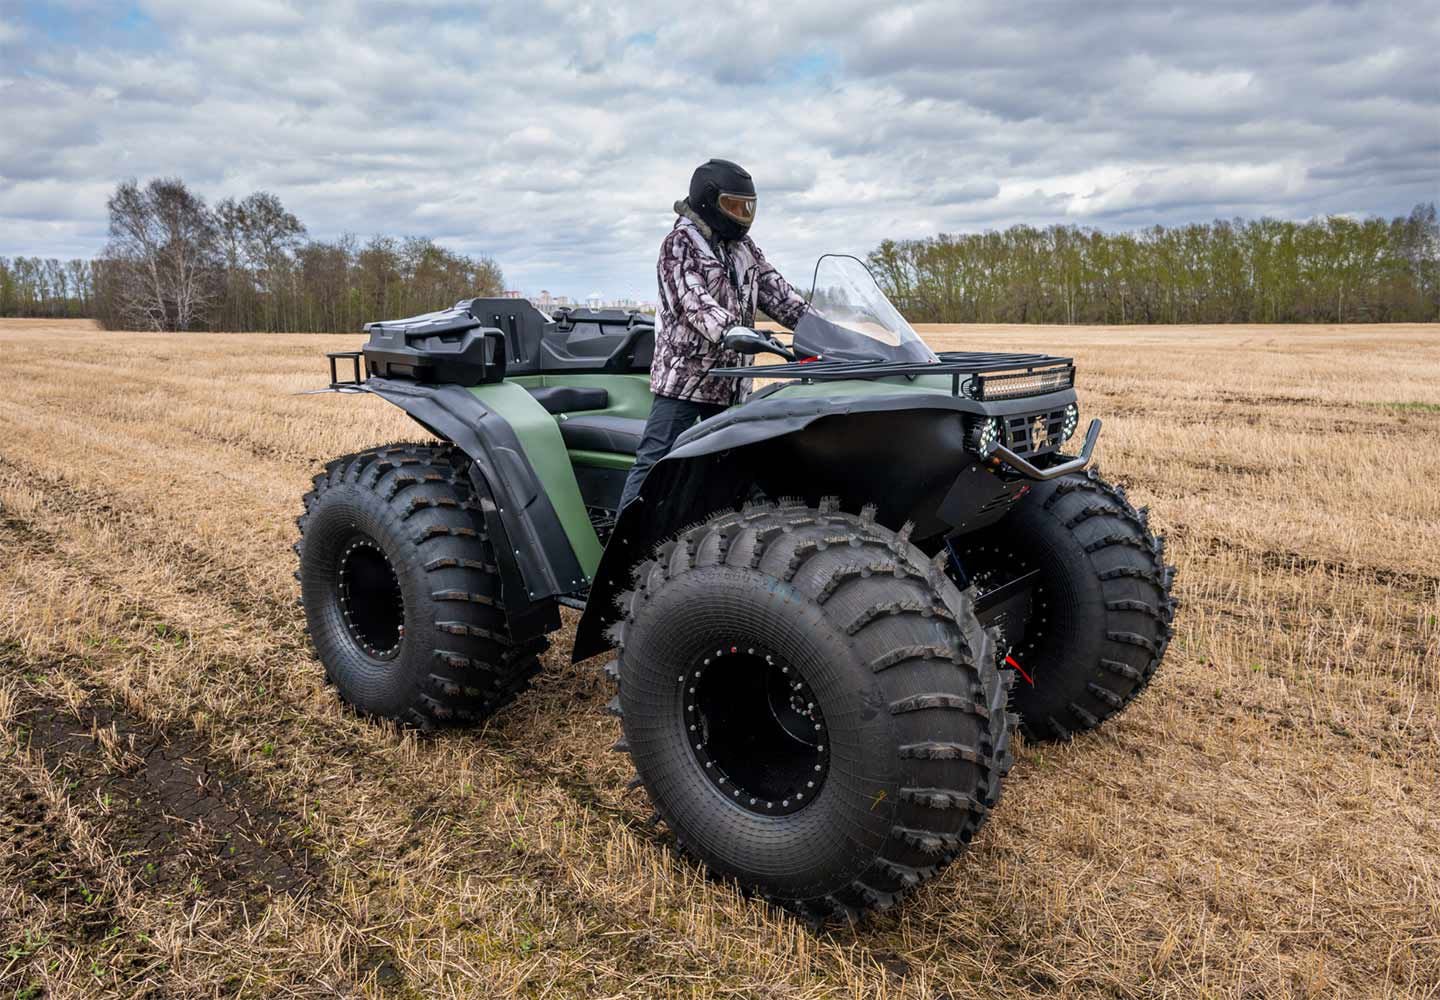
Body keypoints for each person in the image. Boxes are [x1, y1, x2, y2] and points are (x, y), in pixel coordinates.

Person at [618, 159, 809, 510]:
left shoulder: (744, 248)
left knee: (740, 469)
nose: (743, 216)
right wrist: (732, 331)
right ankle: (624, 538)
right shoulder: (679, 244)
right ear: (708, 201)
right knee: (654, 464)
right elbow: (694, 303)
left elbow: (779, 294)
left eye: (748, 208)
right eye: (734, 206)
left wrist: (823, 328)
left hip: (731, 383)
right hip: (685, 381)